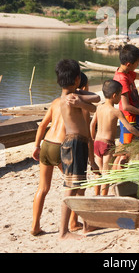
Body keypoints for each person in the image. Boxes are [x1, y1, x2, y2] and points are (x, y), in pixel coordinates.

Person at [31, 71, 95, 236]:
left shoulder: (56, 102)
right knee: (77, 188)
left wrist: (37, 146)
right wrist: (91, 159)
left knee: (43, 188)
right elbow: (87, 134)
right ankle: (73, 223)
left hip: (47, 144)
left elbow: (42, 125)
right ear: (82, 85)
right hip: (63, 147)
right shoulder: (78, 104)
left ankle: (35, 226)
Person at [56, 59, 100, 239]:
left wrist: (81, 99)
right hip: (74, 144)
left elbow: (95, 101)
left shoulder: (73, 96)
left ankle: (85, 225)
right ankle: (63, 231)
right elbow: (95, 101)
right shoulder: (68, 99)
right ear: (76, 79)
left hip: (78, 144)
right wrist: (81, 100)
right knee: (70, 188)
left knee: (80, 186)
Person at [90, 79, 139, 196]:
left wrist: (92, 139)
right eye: (120, 95)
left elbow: (92, 125)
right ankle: (103, 197)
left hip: (97, 143)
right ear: (114, 95)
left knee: (98, 173)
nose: (121, 98)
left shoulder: (99, 108)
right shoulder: (116, 112)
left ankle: (96, 195)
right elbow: (129, 128)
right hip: (107, 145)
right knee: (106, 174)